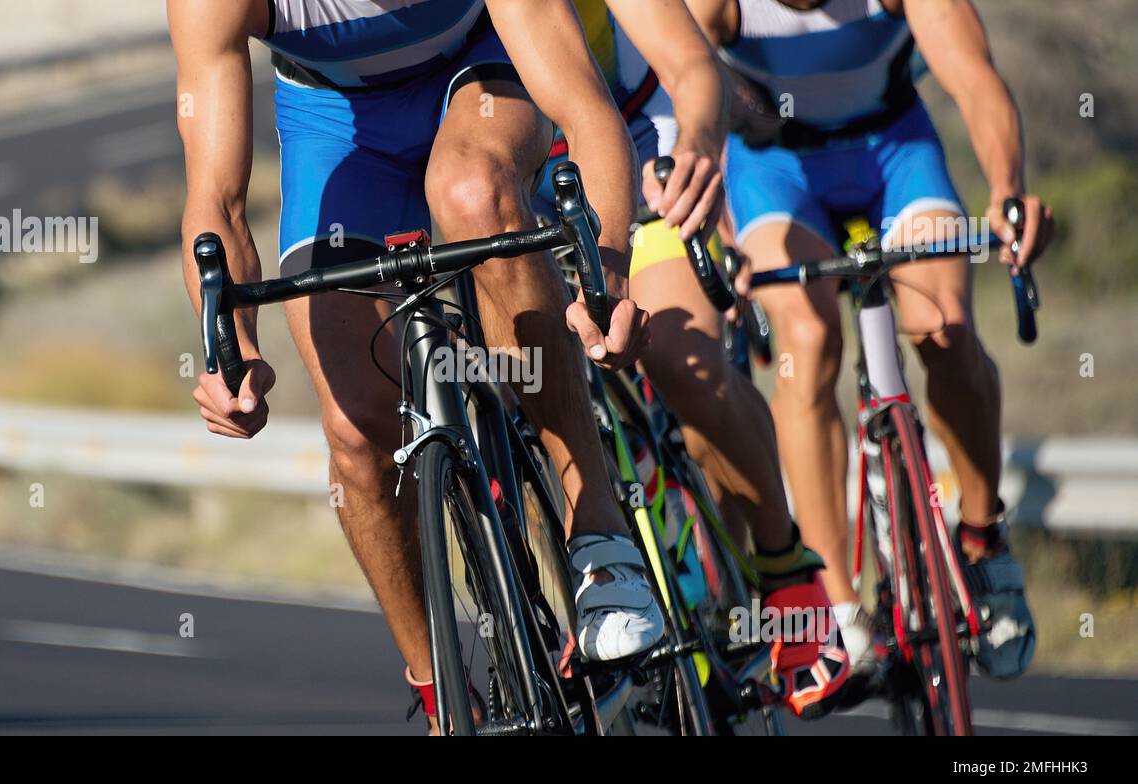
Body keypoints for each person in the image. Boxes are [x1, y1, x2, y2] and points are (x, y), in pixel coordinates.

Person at [167, 0, 670, 733]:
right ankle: (441, 692)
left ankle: (597, 527)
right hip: (334, 121)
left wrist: (608, 276)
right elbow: (216, 200)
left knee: (472, 194)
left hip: (480, 72)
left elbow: (588, 112)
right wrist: (232, 348)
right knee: (356, 435)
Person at [689, 0, 1053, 680]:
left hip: (894, 153)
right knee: (806, 339)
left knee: (943, 327)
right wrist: (716, 228)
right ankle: (839, 605)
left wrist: (1008, 194)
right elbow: (689, 96)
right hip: (775, 168)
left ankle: (983, 542)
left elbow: (975, 81)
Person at [538, 0, 850, 718]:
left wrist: (702, 150)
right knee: (512, 385)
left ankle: (784, 565)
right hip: (529, 190)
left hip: (645, 152)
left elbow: (691, 63)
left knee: (681, 356)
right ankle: (565, 597)